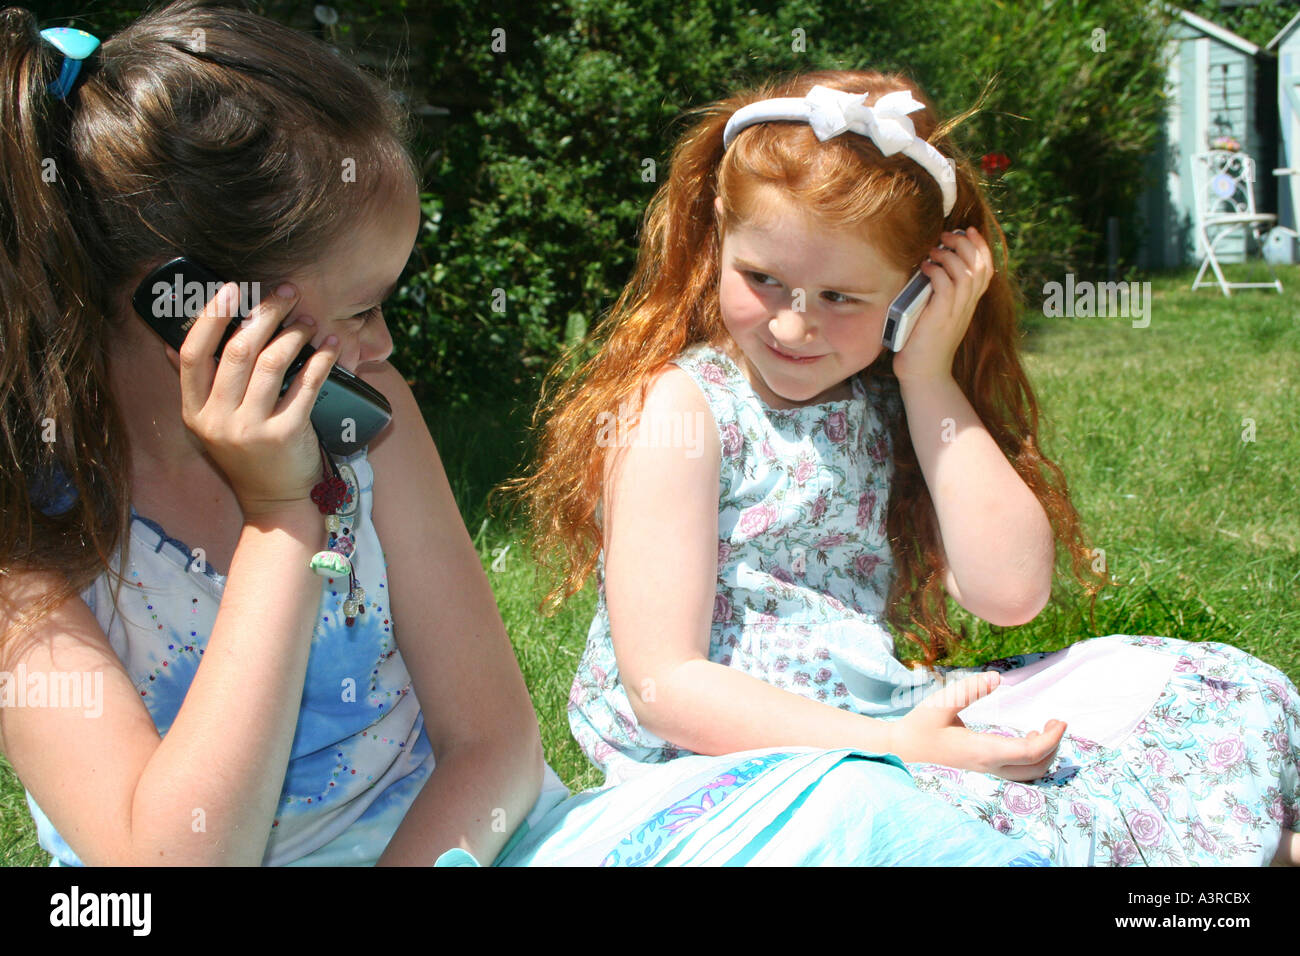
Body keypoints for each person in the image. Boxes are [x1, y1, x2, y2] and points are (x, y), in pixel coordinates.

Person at [0, 2, 1051, 867]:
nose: (384, 344)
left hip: (475, 846)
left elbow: (494, 744)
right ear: (191, 306)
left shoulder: (374, 426)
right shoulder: (29, 551)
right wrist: (284, 521)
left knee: (874, 827)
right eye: (361, 307)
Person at [513, 69, 1300, 866]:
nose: (793, 323)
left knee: (1192, 679)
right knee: (912, 817)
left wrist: (929, 376)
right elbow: (667, 688)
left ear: (919, 285)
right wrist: (898, 746)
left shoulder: (888, 400)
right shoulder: (684, 410)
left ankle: (1239, 848)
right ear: (720, 230)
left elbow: (1011, 593)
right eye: (763, 279)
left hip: (886, 718)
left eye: (842, 298)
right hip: (733, 767)